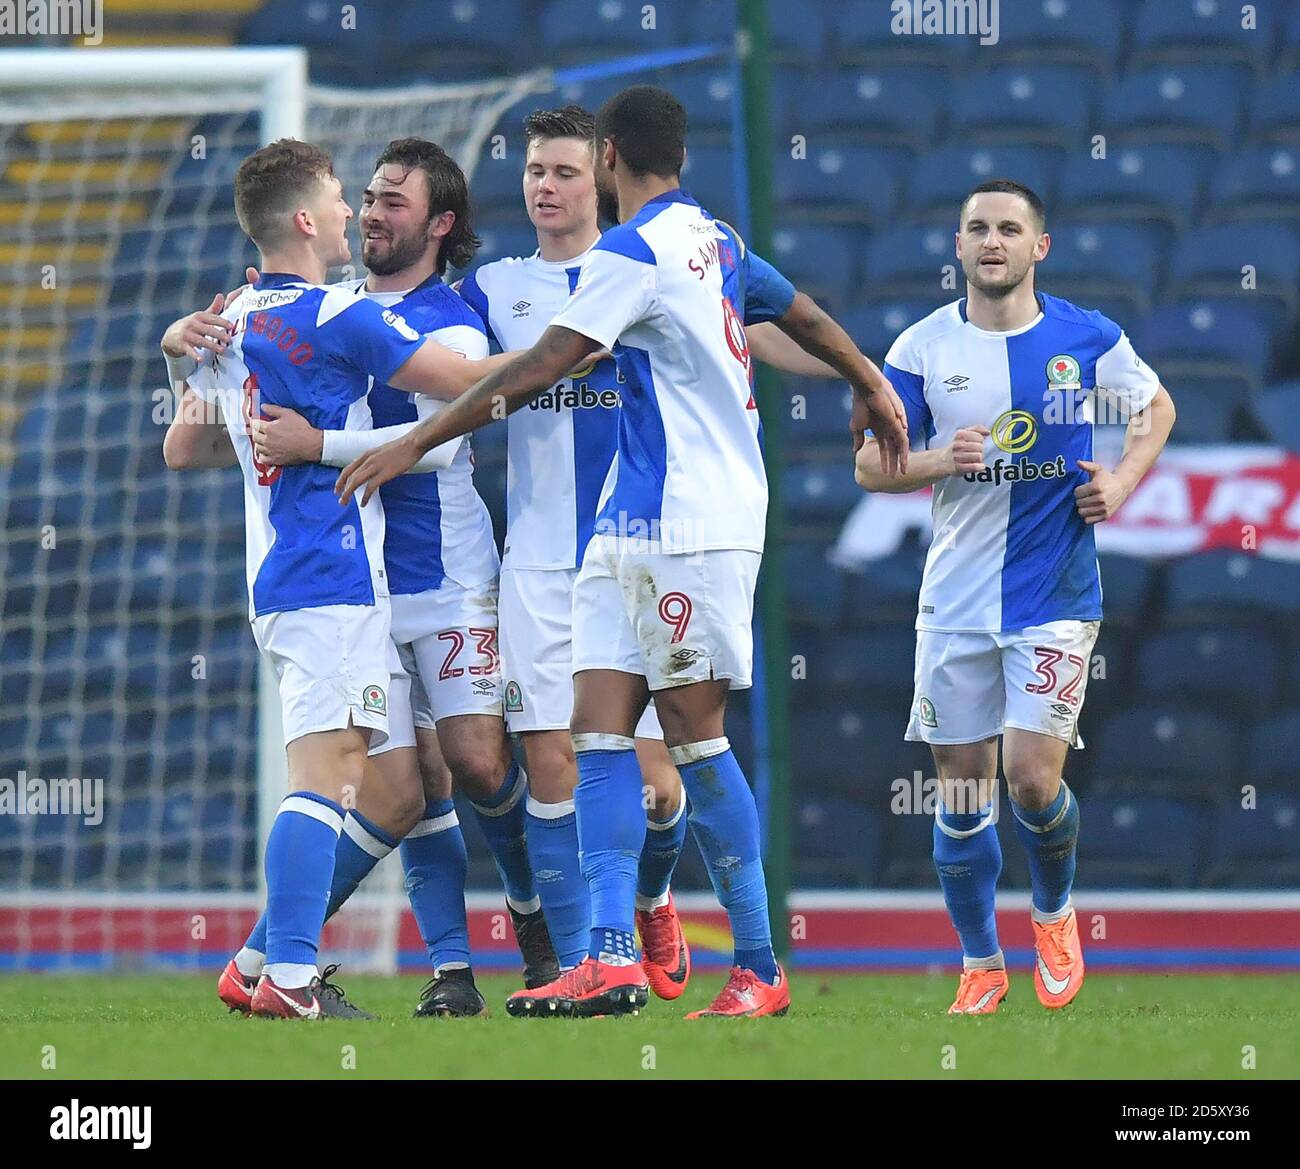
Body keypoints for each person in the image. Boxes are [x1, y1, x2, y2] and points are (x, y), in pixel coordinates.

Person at [335, 86, 908, 1019]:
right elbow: (798, 307)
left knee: (690, 743)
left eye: (569, 165)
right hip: (620, 530)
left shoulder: (632, 254)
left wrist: (408, 440)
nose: (549, 185)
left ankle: (758, 965)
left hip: (690, 522)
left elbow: (534, 369)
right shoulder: (712, 238)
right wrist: (869, 378)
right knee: (593, 736)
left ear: (607, 161)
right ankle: (604, 954)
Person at [161, 138, 530, 1018]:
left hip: (281, 575)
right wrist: (577, 347)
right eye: (337, 197)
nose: (349, 214)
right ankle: (287, 979)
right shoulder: (337, 315)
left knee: (387, 785)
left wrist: (178, 352)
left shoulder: (232, 316)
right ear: (302, 220)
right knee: (324, 780)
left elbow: (185, 447)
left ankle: (262, 967)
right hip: (332, 575)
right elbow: (466, 380)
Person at [854, 179, 1176, 1015]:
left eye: (1008, 228)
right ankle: (980, 961)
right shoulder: (922, 348)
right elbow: (867, 464)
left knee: (1031, 781)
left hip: (1056, 593)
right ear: (957, 248)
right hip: (955, 601)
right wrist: (937, 460)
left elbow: (1156, 405)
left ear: (1040, 247)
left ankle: (1056, 912)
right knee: (963, 793)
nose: (990, 241)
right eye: (975, 229)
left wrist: (1123, 478)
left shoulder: (1085, 339)